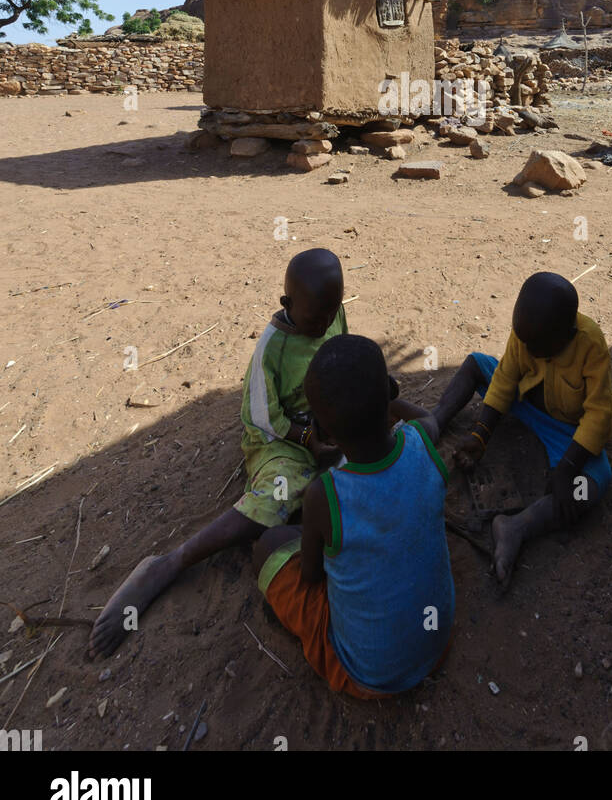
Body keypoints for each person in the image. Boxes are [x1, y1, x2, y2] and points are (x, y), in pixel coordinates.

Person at [88, 248, 348, 658]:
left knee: (361, 458)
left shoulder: (331, 316)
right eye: (315, 318)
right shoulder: (273, 347)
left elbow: (342, 357)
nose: (325, 325)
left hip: (320, 424)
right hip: (280, 440)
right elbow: (262, 416)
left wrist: (337, 422)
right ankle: (172, 562)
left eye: (332, 313)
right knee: (280, 494)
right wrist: (307, 440)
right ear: (288, 305)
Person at [253, 334, 454, 697]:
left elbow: (312, 576)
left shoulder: (324, 494)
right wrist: (392, 401)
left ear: (322, 430)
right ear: (390, 393)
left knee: (269, 544)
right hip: (436, 643)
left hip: (365, 673)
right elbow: (429, 417)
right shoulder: (422, 441)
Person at [431, 271, 612, 589]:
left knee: (596, 478)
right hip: (524, 402)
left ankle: (517, 527)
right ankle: (434, 420)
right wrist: (480, 433)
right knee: (476, 363)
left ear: (567, 335)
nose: (526, 348)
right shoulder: (528, 333)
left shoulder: (590, 344)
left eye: (536, 346)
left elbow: (599, 415)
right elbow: (504, 378)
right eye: (523, 341)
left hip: (565, 428)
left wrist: (568, 467)